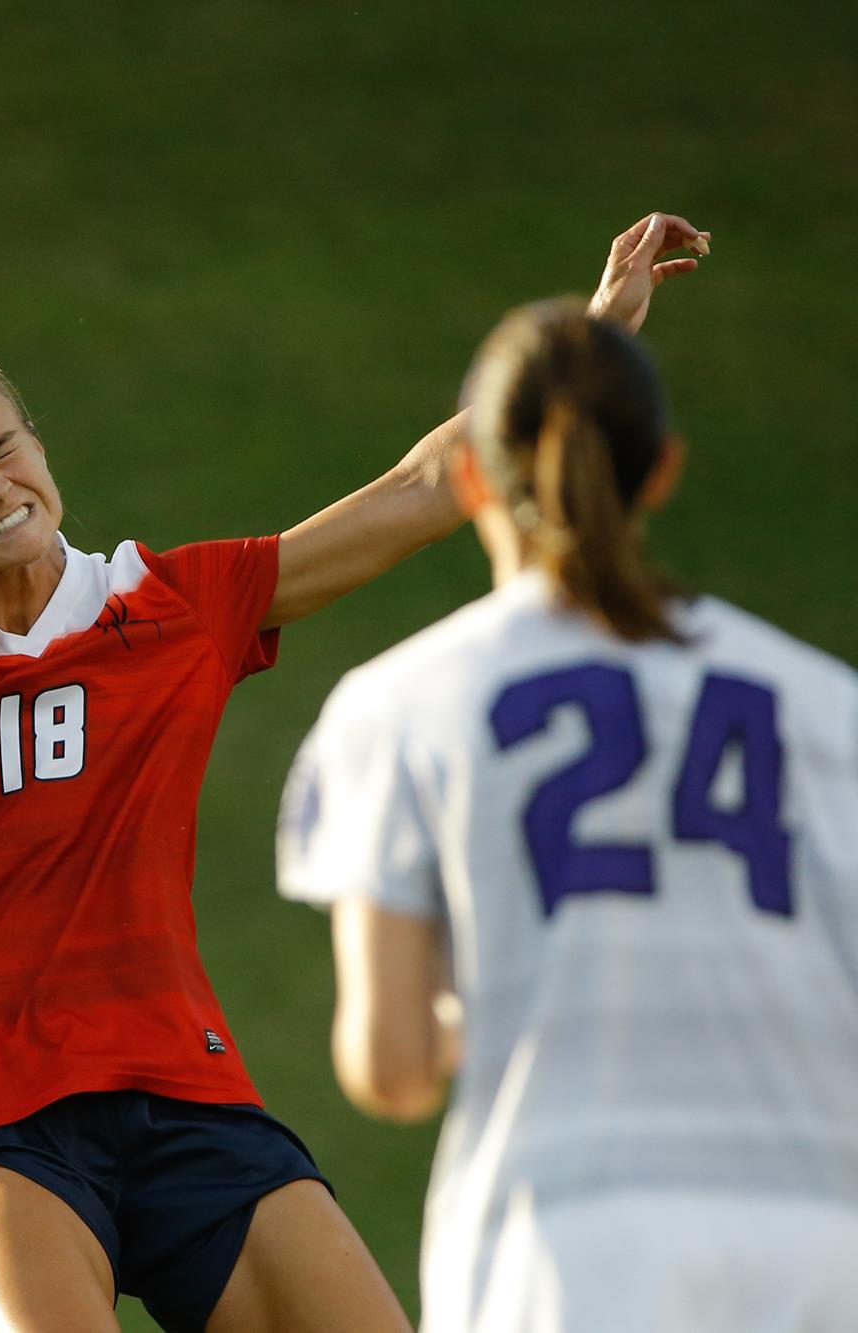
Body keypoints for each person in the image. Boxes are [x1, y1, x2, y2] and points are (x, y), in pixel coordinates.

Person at [0, 214, 707, 1332]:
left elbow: (415, 491)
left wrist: (594, 339)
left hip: (185, 1098)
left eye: (3, 448)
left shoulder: (170, 607)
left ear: (40, 446)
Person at [275, 293, 858, 1333]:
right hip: (822, 1226)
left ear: (467, 476)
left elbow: (391, 1064)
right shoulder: (822, 702)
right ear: (663, 469)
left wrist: (510, 996)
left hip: (567, 1234)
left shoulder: (399, 703)